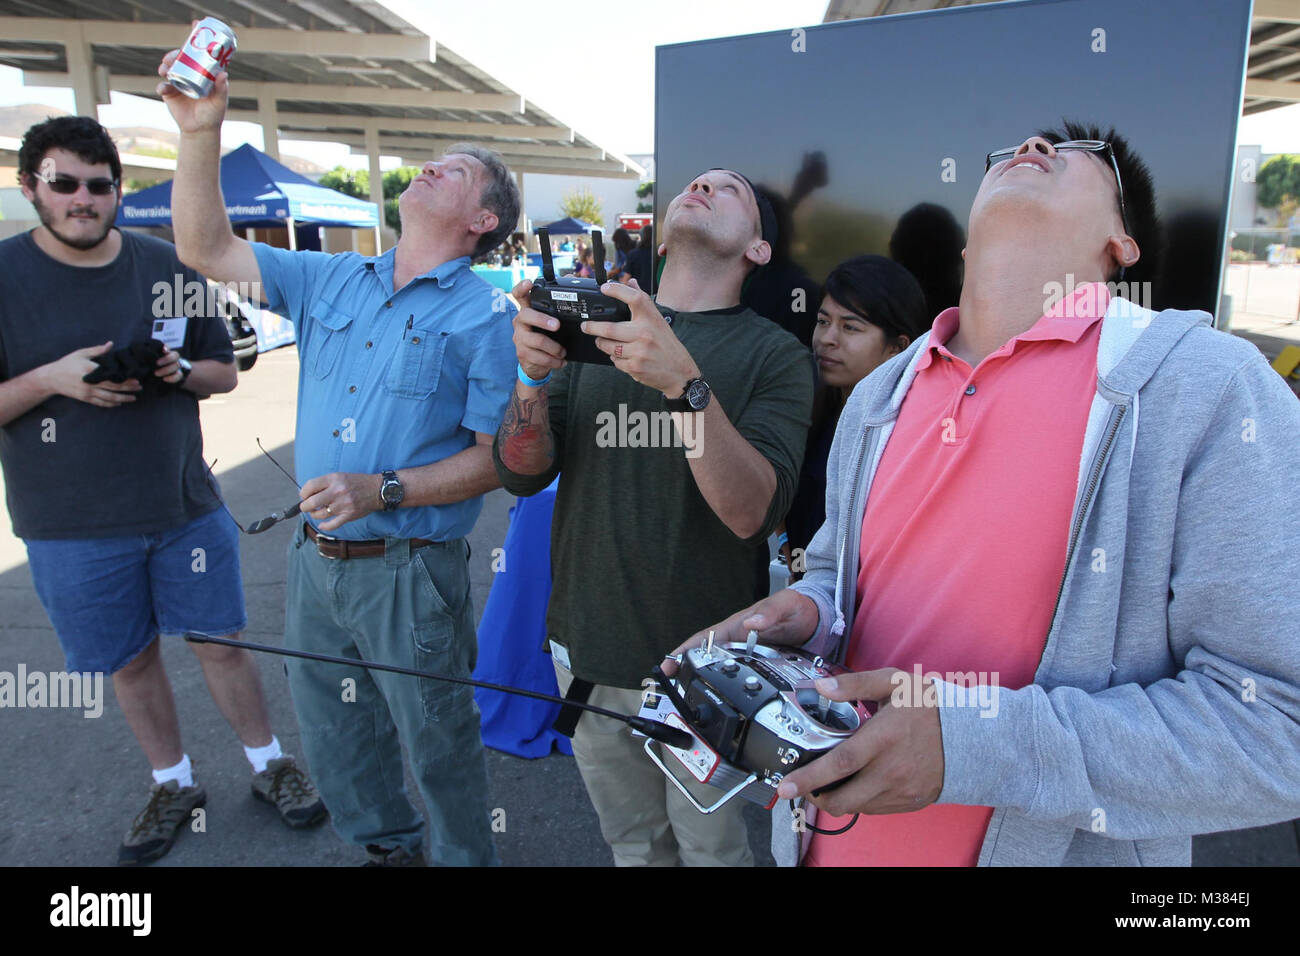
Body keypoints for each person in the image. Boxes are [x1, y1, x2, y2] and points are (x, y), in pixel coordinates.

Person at [674, 123, 1300, 866]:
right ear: (968, 243)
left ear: (1122, 245)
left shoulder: (1207, 387)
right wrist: (813, 610)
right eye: (1008, 152)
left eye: (1078, 157)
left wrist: (973, 744)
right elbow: (842, 576)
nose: (1033, 145)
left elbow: (1276, 728)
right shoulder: (881, 392)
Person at [159, 50, 520, 866]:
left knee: (438, 742)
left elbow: (499, 460)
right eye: (434, 160)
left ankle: (466, 859)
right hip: (313, 564)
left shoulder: (487, 315)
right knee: (335, 736)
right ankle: (386, 852)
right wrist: (200, 132)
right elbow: (205, 249)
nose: (430, 167)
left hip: (410, 572)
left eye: (456, 171)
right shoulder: (328, 277)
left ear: (484, 220)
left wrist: (382, 488)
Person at [0, 115, 325, 865]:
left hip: (184, 507)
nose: (83, 199)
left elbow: (225, 370)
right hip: (68, 524)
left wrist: (179, 374)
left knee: (221, 643)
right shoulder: (7, 277)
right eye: (64, 184)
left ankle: (268, 762)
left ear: (116, 190)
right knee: (131, 659)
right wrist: (52, 380)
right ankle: (173, 781)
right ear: (31, 189)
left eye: (99, 185)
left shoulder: (168, 266)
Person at [494, 168, 814, 866]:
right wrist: (529, 375)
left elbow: (750, 514)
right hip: (587, 655)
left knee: (713, 852)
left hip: (707, 674)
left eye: (728, 189)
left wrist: (684, 384)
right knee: (634, 847)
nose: (703, 184)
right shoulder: (591, 326)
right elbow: (520, 470)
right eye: (696, 181)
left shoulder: (775, 356)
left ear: (758, 250)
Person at [779, 255, 929, 580]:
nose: (827, 339)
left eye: (850, 327)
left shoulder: (906, 436)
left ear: (897, 347)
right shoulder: (815, 406)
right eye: (822, 321)